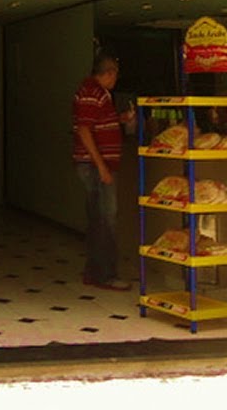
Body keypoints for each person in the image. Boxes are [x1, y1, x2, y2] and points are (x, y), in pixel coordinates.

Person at [72, 53, 135, 292]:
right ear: (109, 73)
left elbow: (96, 123)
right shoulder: (91, 92)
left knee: (98, 218)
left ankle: (94, 271)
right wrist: (101, 166)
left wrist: (118, 119)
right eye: (115, 73)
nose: (116, 78)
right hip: (95, 166)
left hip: (98, 165)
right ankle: (106, 275)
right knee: (105, 219)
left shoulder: (100, 94)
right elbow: (85, 130)